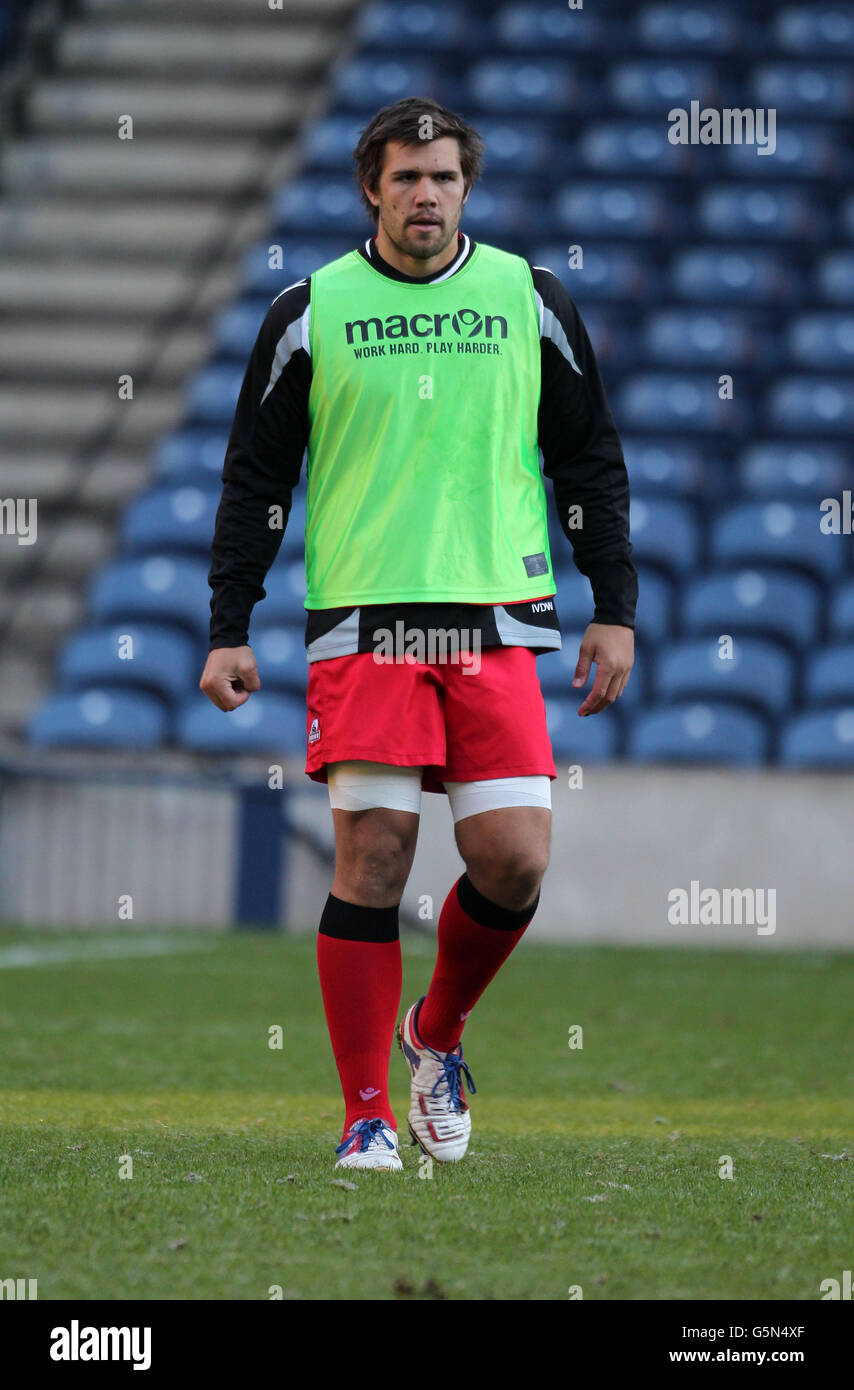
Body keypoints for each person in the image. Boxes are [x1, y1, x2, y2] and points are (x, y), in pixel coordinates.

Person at [200, 97, 637, 1172]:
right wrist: (229, 623)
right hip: (365, 626)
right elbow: (255, 479)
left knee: (515, 861)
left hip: (495, 623)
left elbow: (588, 460)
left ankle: (433, 1035)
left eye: (443, 178)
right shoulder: (310, 310)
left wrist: (613, 606)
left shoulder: (528, 297)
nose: (426, 195)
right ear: (370, 188)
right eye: (406, 178)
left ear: (466, 190)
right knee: (376, 859)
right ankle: (363, 1115)